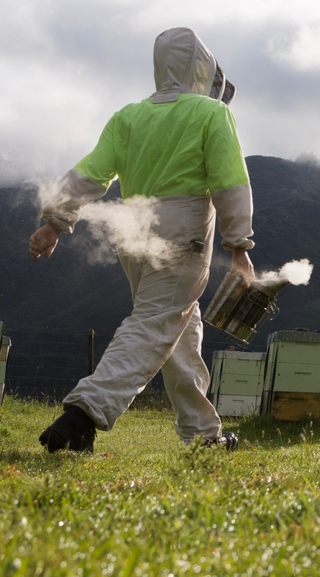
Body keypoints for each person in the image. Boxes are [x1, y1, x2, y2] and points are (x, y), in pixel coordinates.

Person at [29, 28, 255, 453]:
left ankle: (204, 436)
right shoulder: (211, 113)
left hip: (133, 234)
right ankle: (83, 414)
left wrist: (54, 222)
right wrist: (239, 247)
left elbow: (89, 174)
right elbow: (230, 183)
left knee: (177, 329)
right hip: (182, 232)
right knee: (154, 325)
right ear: (201, 69)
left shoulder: (128, 116)